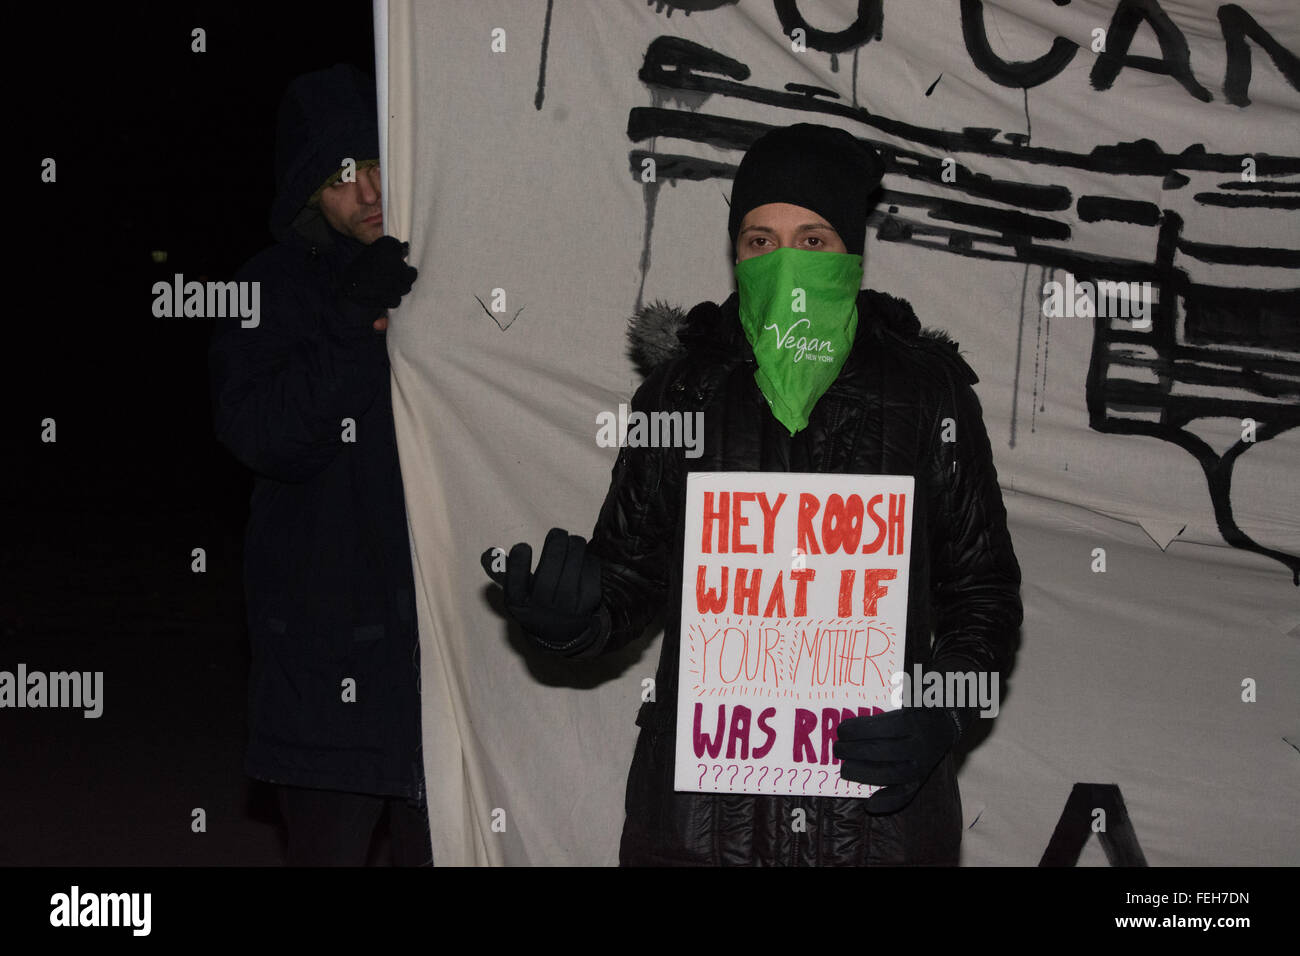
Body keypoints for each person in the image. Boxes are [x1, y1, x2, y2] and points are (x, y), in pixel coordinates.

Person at [483, 123, 1022, 866]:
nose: (784, 262)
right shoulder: (681, 393)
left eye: (813, 239)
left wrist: (943, 708)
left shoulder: (929, 397)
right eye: (760, 241)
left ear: (851, 254)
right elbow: (630, 581)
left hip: (873, 829)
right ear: (736, 251)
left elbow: (983, 596)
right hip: (702, 834)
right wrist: (569, 618)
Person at [209, 64, 429, 866]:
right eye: (341, 175)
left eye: (377, 163)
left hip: (438, 654)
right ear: (310, 191)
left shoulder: (444, 274)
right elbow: (264, 434)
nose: (368, 190)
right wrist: (351, 319)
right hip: (326, 655)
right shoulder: (268, 288)